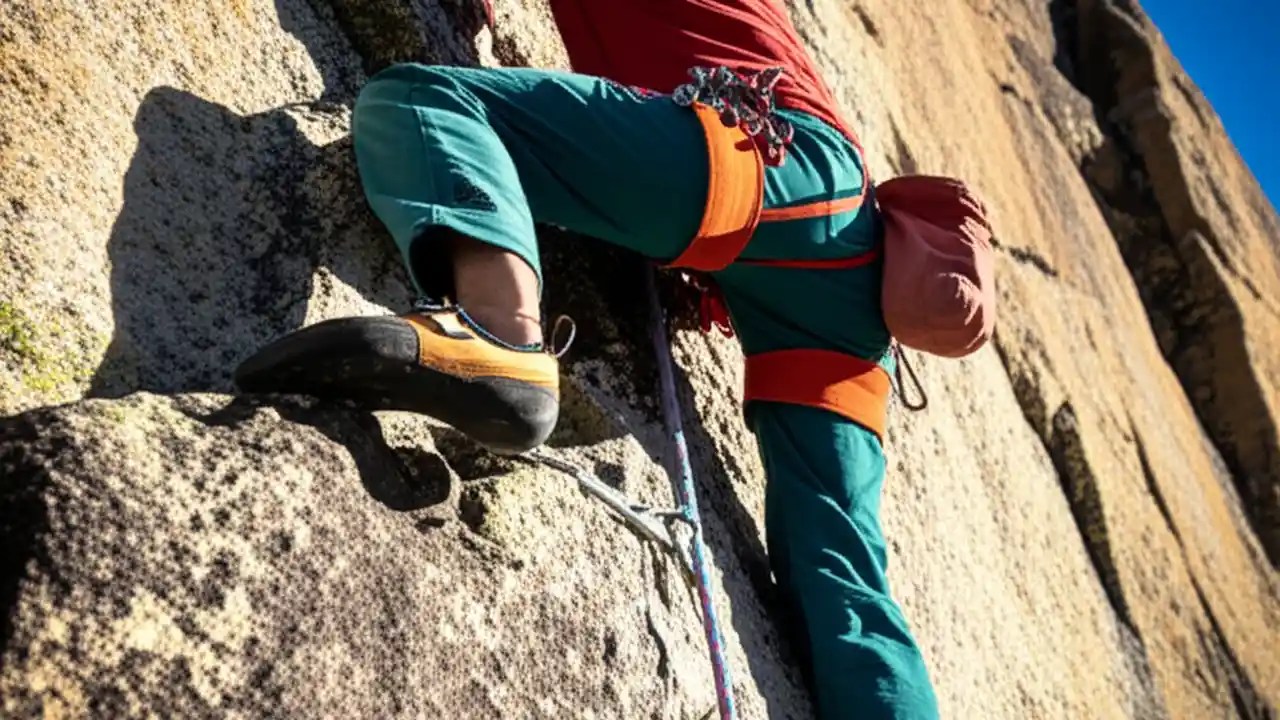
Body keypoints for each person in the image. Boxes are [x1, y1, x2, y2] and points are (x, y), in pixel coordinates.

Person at [236, 1, 942, 717]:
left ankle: (499, 333)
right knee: (843, 575)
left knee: (424, 101)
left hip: (760, 159)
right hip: (841, 249)